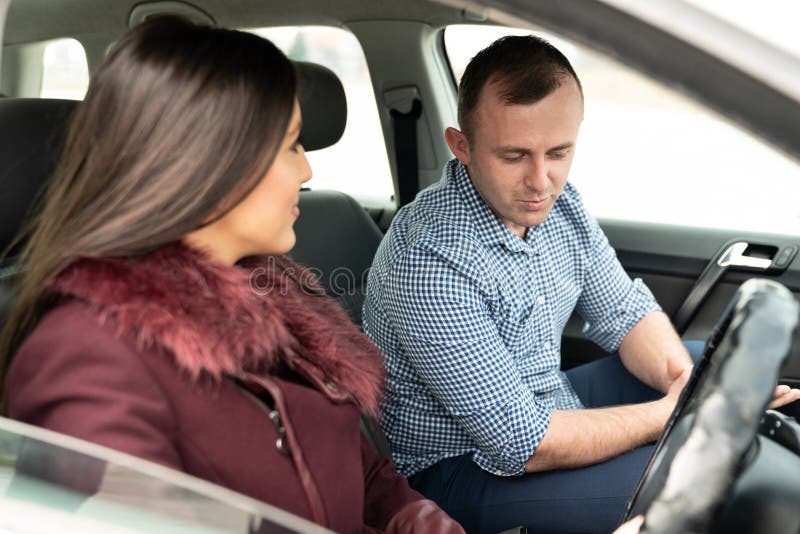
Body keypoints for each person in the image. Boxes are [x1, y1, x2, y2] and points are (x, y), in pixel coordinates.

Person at [0, 16, 463, 533]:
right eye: (291, 144)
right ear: (212, 161)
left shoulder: (279, 301)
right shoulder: (87, 354)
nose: (307, 171)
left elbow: (358, 464)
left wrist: (411, 515)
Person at [362, 35, 800, 532]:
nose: (541, 180)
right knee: (703, 481)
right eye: (514, 156)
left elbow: (624, 311)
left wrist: (685, 384)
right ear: (461, 145)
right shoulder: (427, 258)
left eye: (559, 152)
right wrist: (675, 414)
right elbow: (517, 442)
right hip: (455, 468)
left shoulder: (560, 205)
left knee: (712, 366)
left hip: (546, 400)